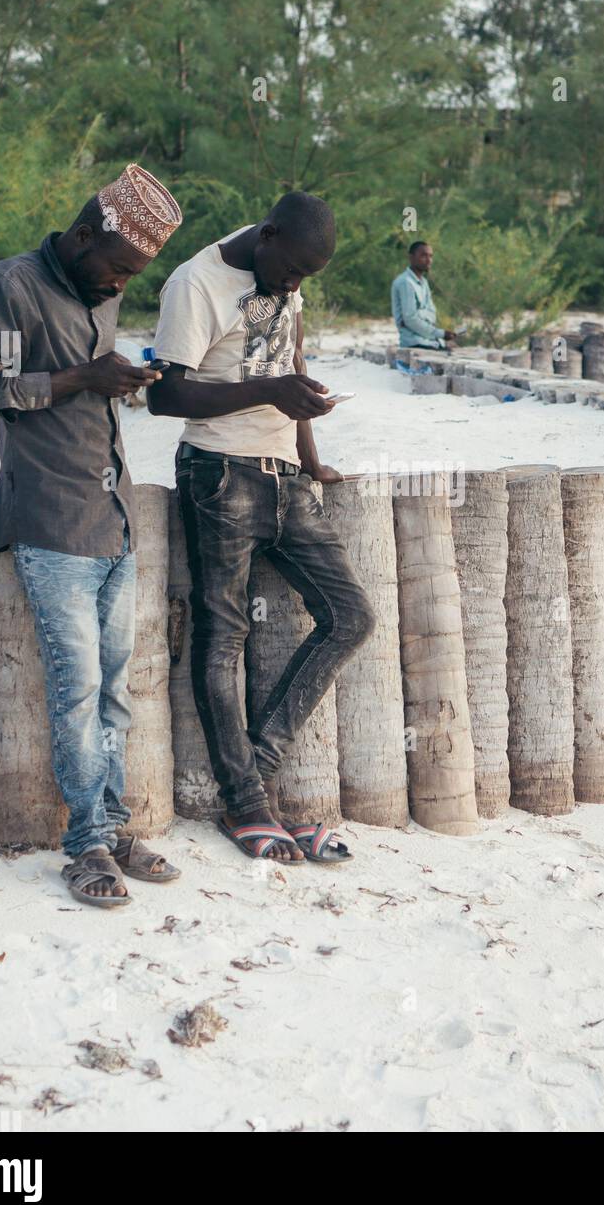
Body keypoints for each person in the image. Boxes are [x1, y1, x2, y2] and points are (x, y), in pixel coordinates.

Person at [0, 165, 184, 908]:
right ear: (84, 238)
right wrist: (80, 379)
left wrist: (117, 381)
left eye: (132, 279)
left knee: (116, 691)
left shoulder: (98, 289)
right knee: (77, 690)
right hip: (50, 522)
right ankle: (84, 845)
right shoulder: (10, 285)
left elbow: (90, 382)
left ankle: (113, 829)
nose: (120, 288)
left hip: (114, 518)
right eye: (116, 270)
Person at [148, 191, 375, 865]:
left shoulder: (281, 280)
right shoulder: (196, 283)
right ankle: (246, 802)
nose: (295, 285)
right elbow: (163, 394)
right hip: (218, 473)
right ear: (266, 234)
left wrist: (311, 459)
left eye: (307, 276)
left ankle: (256, 762)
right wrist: (268, 392)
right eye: (292, 270)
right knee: (223, 635)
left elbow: (289, 366)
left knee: (351, 616)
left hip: (285, 478)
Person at [391, 241, 455, 350]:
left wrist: (420, 313)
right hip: (415, 343)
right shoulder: (405, 282)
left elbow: (432, 313)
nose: (429, 260)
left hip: (428, 340)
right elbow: (410, 319)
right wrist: (440, 333)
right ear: (411, 258)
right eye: (423, 256)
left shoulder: (424, 282)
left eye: (430, 256)